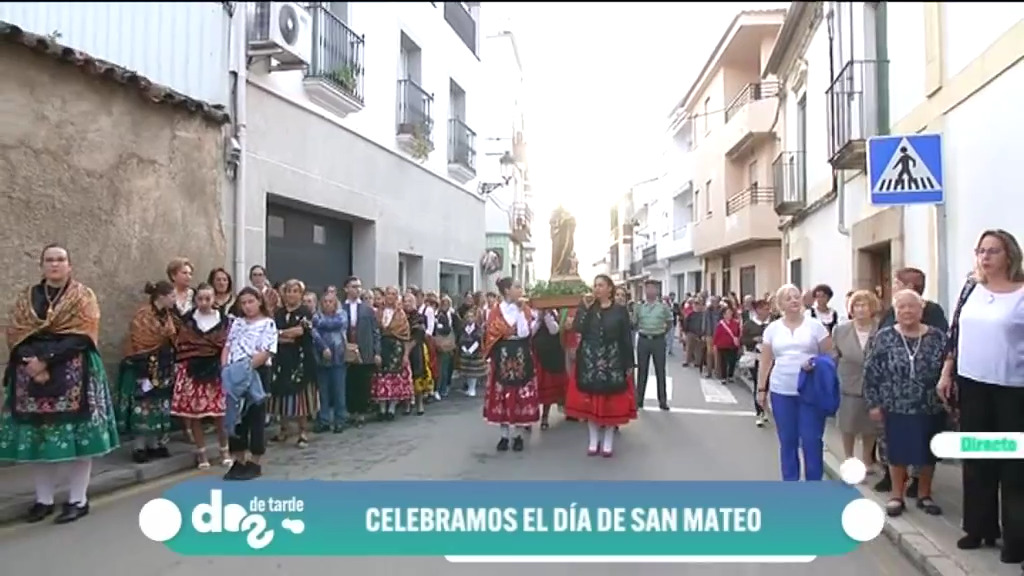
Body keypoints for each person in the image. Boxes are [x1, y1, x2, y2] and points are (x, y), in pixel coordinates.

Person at [1, 244, 119, 524]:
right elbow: (16, 331)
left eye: (60, 259)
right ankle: (43, 500)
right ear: (42, 265)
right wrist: (32, 363)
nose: (55, 264)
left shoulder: (83, 296)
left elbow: (83, 335)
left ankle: (78, 499)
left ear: (70, 265)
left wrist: (46, 360)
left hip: (75, 370)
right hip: (31, 375)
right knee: (39, 438)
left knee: (77, 439)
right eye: (49, 260)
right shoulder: (27, 297)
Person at [938, 229, 1024, 561]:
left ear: (1009, 256)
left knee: (1014, 466)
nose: (985, 257)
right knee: (977, 460)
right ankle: (979, 527)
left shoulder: (1020, 293)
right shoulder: (971, 288)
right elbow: (955, 332)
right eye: (981, 251)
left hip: (1013, 389)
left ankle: (1016, 539)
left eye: (993, 251)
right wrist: (947, 372)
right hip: (972, 385)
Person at [864, 290, 947, 517]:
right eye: (901, 307)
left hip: (930, 404)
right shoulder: (884, 337)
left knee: (929, 451)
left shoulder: (937, 336)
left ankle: (924, 495)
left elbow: (948, 367)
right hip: (894, 404)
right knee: (896, 451)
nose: (907, 311)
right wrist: (873, 403)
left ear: (921, 310)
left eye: (912, 306)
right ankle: (896, 495)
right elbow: (871, 371)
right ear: (895, 311)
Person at [758, 284, 833, 481]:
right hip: (781, 391)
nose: (793, 300)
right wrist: (761, 389)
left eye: (796, 296)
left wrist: (815, 362)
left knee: (811, 440)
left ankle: (813, 485)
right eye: (788, 298)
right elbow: (766, 361)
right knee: (788, 441)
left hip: (810, 391)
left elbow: (831, 355)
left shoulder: (815, 326)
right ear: (780, 304)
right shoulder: (772, 329)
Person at [565, 275, 636, 456]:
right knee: (590, 401)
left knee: (611, 402)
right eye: (595, 285)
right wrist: (584, 309)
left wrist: (629, 362)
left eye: (601, 285)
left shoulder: (620, 310)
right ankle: (593, 439)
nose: (597, 289)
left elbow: (626, 338)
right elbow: (578, 328)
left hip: (612, 359)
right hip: (590, 360)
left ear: (609, 289)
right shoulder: (589, 308)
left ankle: (608, 440)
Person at [170, 282, 231, 469]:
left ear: (214, 300)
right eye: (200, 299)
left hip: (216, 370)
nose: (204, 302)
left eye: (208, 298)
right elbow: (181, 345)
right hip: (192, 370)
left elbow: (227, 344)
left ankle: (224, 451)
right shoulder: (188, 320)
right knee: (195, 415)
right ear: (195, 300)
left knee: (220, 414)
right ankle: (201, 454)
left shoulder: (224, 320)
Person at [221, 287, 277, 480]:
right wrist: (226, 369)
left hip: (255, 372)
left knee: (255, 416)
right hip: (234, 372)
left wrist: (245, 369)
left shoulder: (267, 324)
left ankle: (255, 461)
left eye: (251, 302)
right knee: (235, 417)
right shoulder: (237, 323)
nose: (247, 306)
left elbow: (267, 351)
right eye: (243, 303)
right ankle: (238, 459)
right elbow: (227, 346)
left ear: (259, 301)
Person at [117, 280, 176, 463]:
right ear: (162, 297)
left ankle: (154, 444)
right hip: (142, 364)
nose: (175, 300)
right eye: (172, 296)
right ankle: (139, 447)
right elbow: (139, 339)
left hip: (163, 364)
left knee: (159, 404)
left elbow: (171, 335)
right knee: (143, 405)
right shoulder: (143, 315)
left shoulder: (167, 315)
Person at [482, 277, 541, 452]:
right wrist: (489, 360)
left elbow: (524, 333)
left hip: (521, 355)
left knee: (519, 396)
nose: (520, 290)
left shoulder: (524, 309)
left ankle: (517, 435)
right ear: (507, 290)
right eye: (517, 287)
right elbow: (491, 336)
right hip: (502, 357)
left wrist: (522, 312)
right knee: (503, 395)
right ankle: (504, 435)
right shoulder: (495, 311)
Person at [268, 279, 319, 447]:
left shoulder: (305, 312)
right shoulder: (279, 313)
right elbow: (272, 333)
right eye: (288, 291)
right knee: (281, 394)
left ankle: (302, 432)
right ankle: (283, 430)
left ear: (301, 294)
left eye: (295, 291)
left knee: (300, 397)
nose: (291, 294)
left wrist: (282, 333)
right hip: (282, 359)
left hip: (300, 359)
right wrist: (283, 335)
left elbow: (300, 331)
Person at [832, 289, 880, 469]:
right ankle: (849, 458)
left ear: (872, 308)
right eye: (856, 306)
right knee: (848, 424)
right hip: (848, 382)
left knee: (870, 427)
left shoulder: (880, 329)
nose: (860, 309)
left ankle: (867, 460)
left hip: (873, 384)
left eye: (864, 305)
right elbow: (834, 355)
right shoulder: (841, 330)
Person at [342, 276, 381, 427]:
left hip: (364, 350)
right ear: (346, 289)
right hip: (346, 350)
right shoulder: (340, 308)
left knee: (363, 383)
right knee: (349, 382)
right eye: (353, 287)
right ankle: (351, 412)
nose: (357, 290)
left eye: (359, 287)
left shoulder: (367, 309)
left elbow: (375, 332)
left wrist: (376, 352)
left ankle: (361, 413)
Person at [370, 286, 414, 419]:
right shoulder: (378, 312)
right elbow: (375, 330)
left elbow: (406, 335)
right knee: (381, 377)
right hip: (382, 346)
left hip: (396, 347)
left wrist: (406, 355)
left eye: (394, 294)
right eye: (389, 294)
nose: (391, 297)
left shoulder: (401, 315)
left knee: (394, 378)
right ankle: (382, 408)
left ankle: (392, 408)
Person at [311, 289, 348, 433]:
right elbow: (314, 333)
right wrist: (323, 347)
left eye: (330, 302)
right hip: (321, 357)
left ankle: (340, 419)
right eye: (325, 302)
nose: (327, 304)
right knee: (323, 391)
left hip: (338, 356)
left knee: (339, 390)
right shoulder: (316, 316)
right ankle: (324, 419)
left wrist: (322, 323)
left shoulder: (342, 314)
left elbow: (337, 324)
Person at [633, 280, 673, 411]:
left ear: (657, 291)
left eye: (652, 288)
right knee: (642, 370)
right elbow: (635, 322)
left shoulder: (663, 307)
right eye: (647, 288)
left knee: (660, 371)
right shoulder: (639, 307)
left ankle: (662, 401)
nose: (650, 291)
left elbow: (669, 323)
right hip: (644, 340)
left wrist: (660, 332)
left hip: (658, 340)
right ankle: (639, 400)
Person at [532, 306, 567, 429]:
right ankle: (529, 418)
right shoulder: (533, 313)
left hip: (551, 355)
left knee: (548, 388)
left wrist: (546, 315)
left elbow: (554, 330)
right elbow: (530, 331)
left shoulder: (554, 313)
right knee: (532, 389)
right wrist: (538, 319)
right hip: (536, 354)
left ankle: (545, 417)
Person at [740, 299, 771, 427]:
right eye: (763, 309)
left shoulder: (773, 324)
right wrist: (754, 339)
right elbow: (743, 340)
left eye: (767, 309)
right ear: (757, 310)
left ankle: (766, 408)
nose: (766, 311)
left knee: (768, 384)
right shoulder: (749, 324)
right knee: (759, 384)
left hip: (770, 357)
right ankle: (759, 412)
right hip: (755, 356)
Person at [404, 292, 432, 415]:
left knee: (418, 374)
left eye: (410, 301)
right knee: (404, 375)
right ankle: (407, 404)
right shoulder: (400, 316)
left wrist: (408, 350)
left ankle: (420, 403)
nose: (407, 303)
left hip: (416, 348)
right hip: (401, 347)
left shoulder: (420, 317)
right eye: (405, 301)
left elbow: (418, 334)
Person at [457, 307, 486, 397]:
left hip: (475, 353)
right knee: (468, 372)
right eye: (468, 317)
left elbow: (478, 340)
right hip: (465, 352)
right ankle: (469, 388)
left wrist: (471, 350)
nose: (470, 319)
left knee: (474, 372)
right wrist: (465, 349)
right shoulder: (463, 328)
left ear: (474, 318)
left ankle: (473, 388)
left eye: (471, 317)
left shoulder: (478, 328)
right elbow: (460, 340)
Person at [433, 295, 457, 399]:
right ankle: (439, 389)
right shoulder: (439, 315)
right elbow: (444, 329)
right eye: (443, 303)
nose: (445, 306)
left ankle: (443, 388)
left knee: (446, 368)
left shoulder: (451, 314)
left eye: (447, 304)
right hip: (441, 343)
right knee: (441, 368)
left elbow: (456, 326)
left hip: (448, 344)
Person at [713, 304, 742, 384]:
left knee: (732, 361)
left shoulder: (735, 323)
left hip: (733, 345)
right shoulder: (720, 324)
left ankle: (730, 375)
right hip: (722, 345)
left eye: (730, 313)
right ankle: (723, 377)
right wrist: (715, 344)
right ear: (724, 315)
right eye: (727, 313)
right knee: (723, 362)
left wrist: (738, 341)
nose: (729, 315)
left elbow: (738, 333)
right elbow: (717, 334)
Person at [682, 299, 706, 370]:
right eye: (696, 305)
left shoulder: (703, 315)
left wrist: (703, 333)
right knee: (689, 347)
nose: (697, 306)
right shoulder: (690, 314)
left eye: (699, 305)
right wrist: (685, 332)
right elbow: (686, 323)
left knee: (698, 349)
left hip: (700, 333)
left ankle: (697, 362)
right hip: (691, 332)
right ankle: (687, 360)